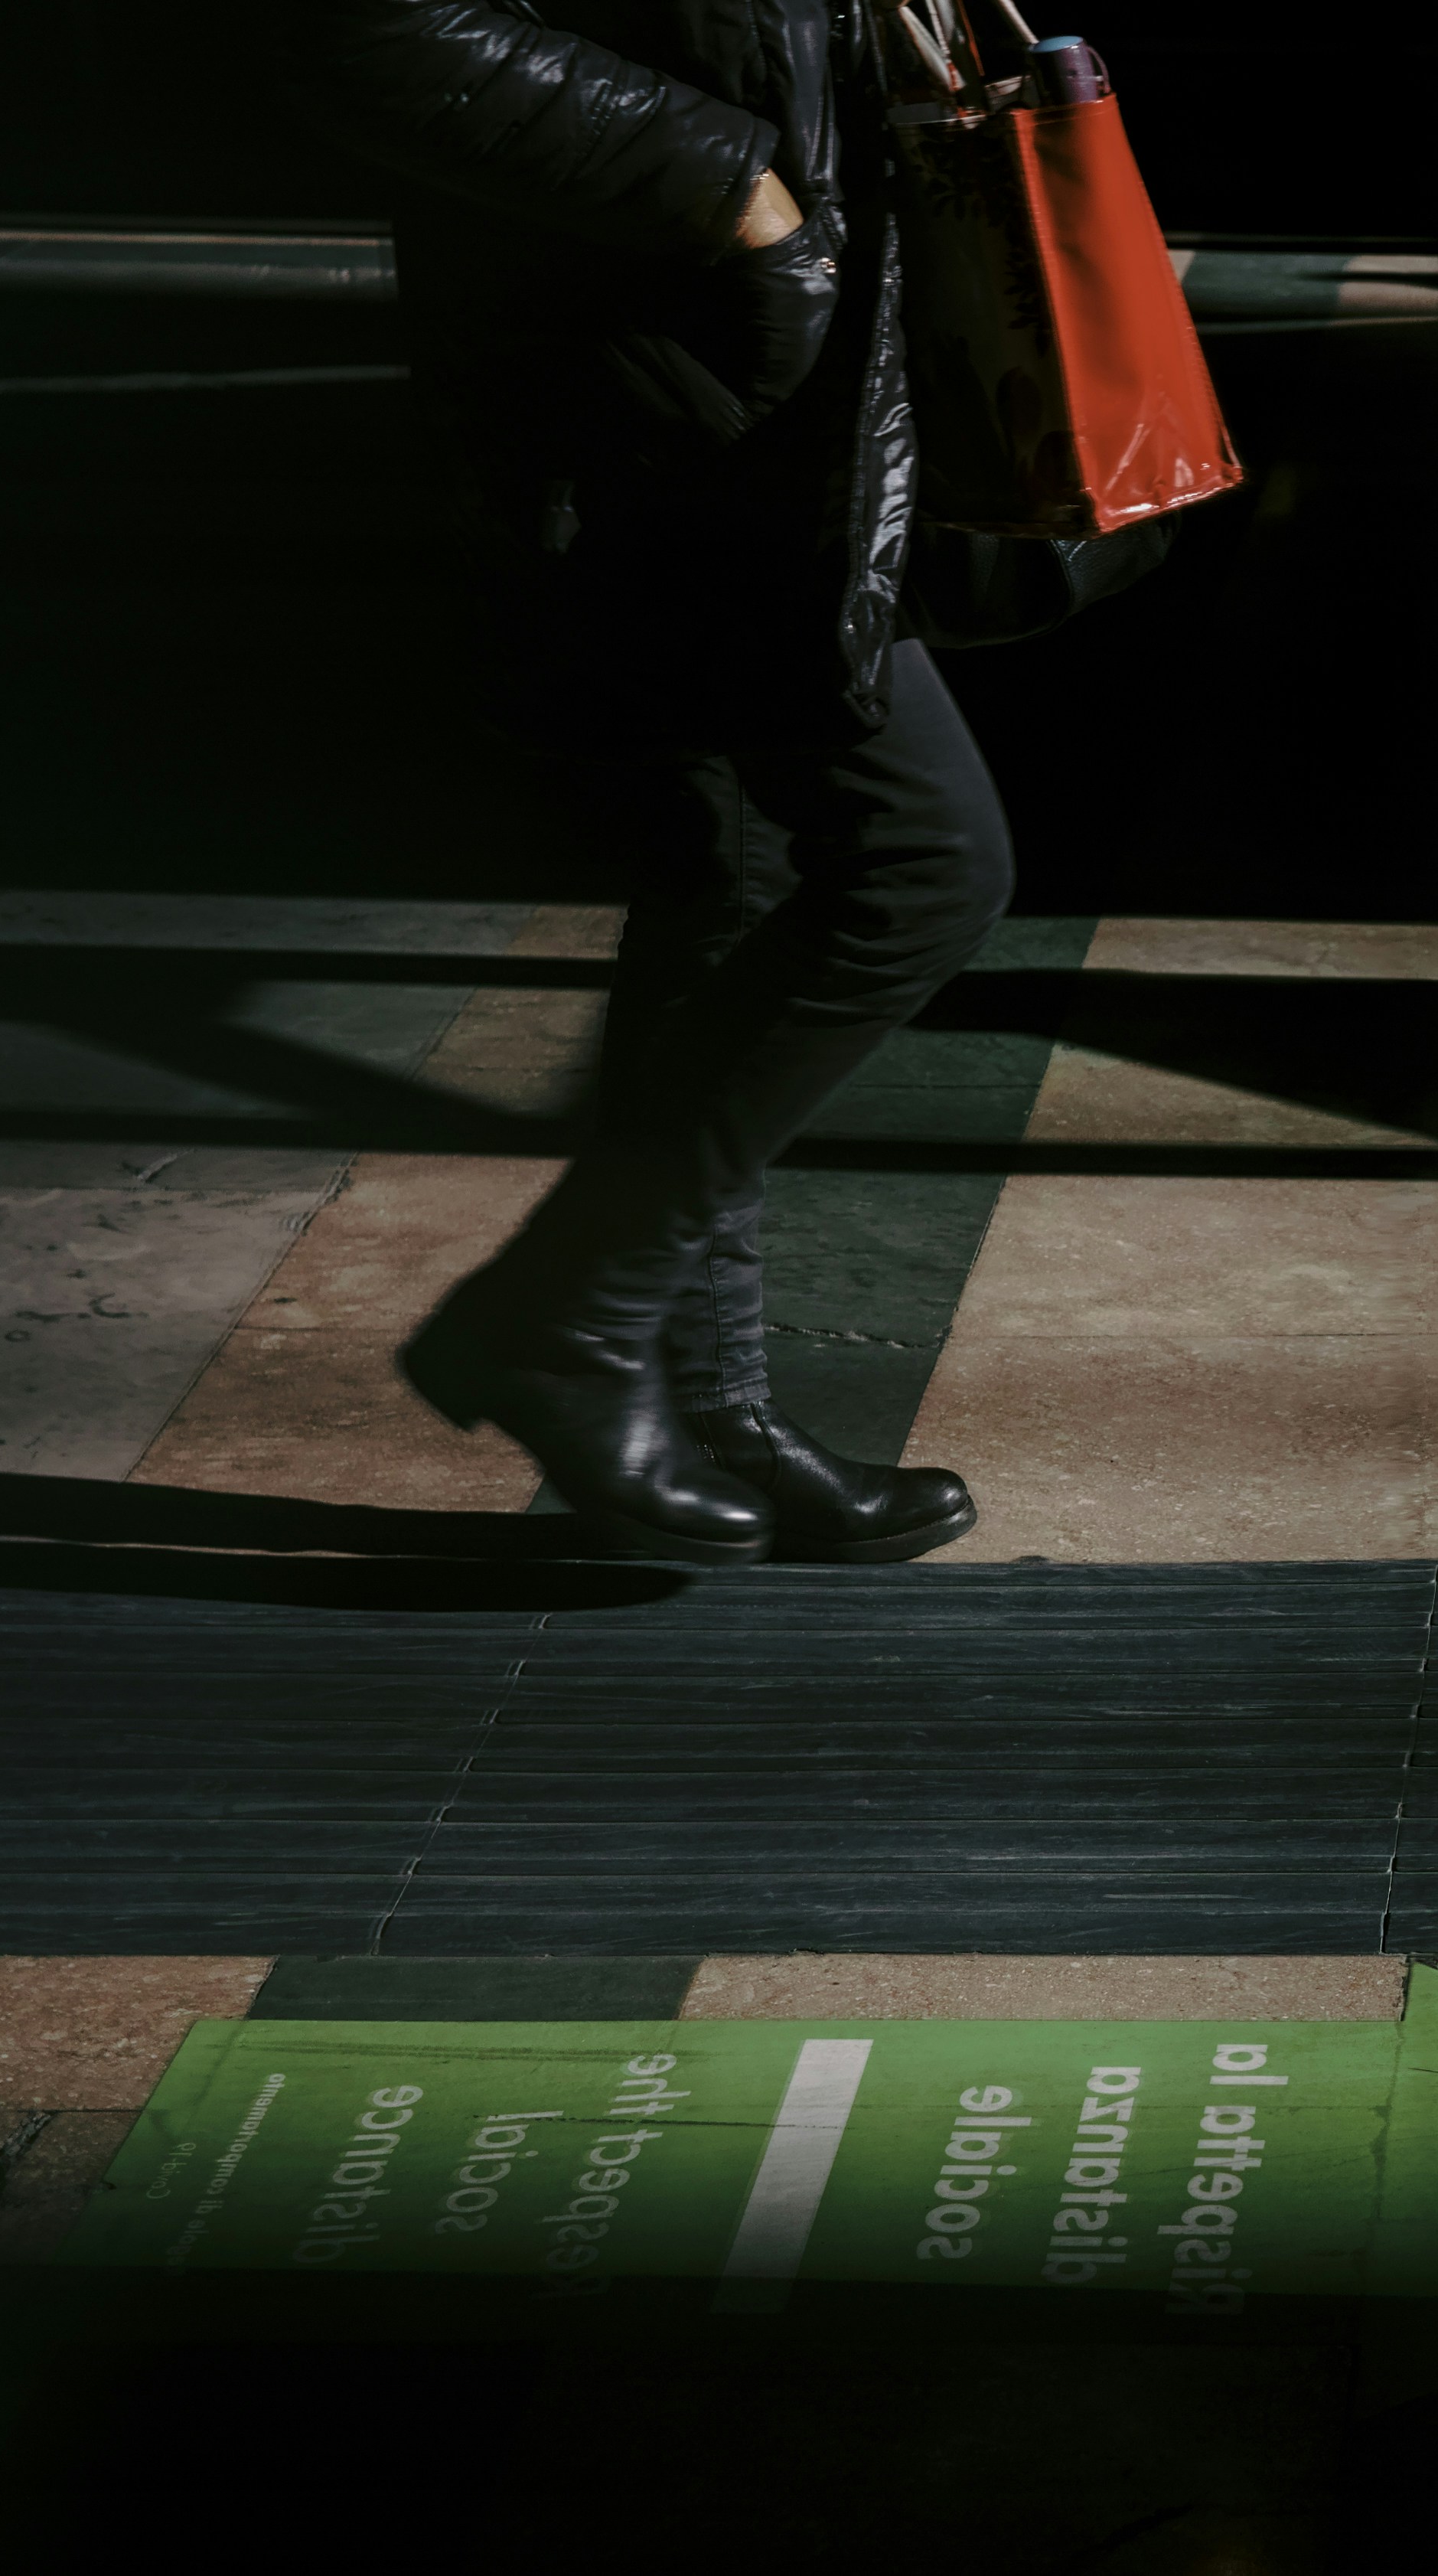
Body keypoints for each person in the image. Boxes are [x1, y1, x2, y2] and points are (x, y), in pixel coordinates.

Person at [295, 0, 1003, 1564]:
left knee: (726, 873)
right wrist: (734, 193)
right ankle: (566, 1319)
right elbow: (366, 28)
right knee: (922, 859)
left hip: (736, 346)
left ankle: (708, 1407)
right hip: (651, 361)